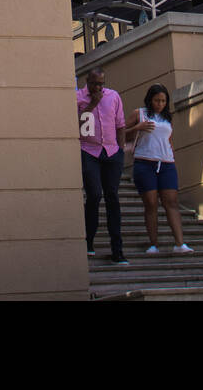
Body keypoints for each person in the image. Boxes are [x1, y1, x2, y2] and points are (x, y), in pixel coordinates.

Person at [125, 84, 193, 256]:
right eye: (157, 100)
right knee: (151, 203)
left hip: (166, 163)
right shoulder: (139, 113)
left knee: (171, 201)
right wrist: (137, 128)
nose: (160, 104)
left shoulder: (166, 117)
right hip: (145, 162)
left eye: (163, 101)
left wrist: (172, 153)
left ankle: (179, 243)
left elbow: (168, 139)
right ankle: (153, 243)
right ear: (150, 99)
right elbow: (121, 133)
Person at [76, 70, 128, 264]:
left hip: (111, 152)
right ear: (87, 82)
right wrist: (92, 104)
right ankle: (88, 241)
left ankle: (117, 249)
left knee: (112, 197)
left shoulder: (113, 96)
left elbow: (120, 125)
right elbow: (78, 126)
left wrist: (121, 151)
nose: (98, 87)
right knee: (94, 194)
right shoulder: (78, 98)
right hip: (89, 151)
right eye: (94, 84)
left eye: (101, 83)